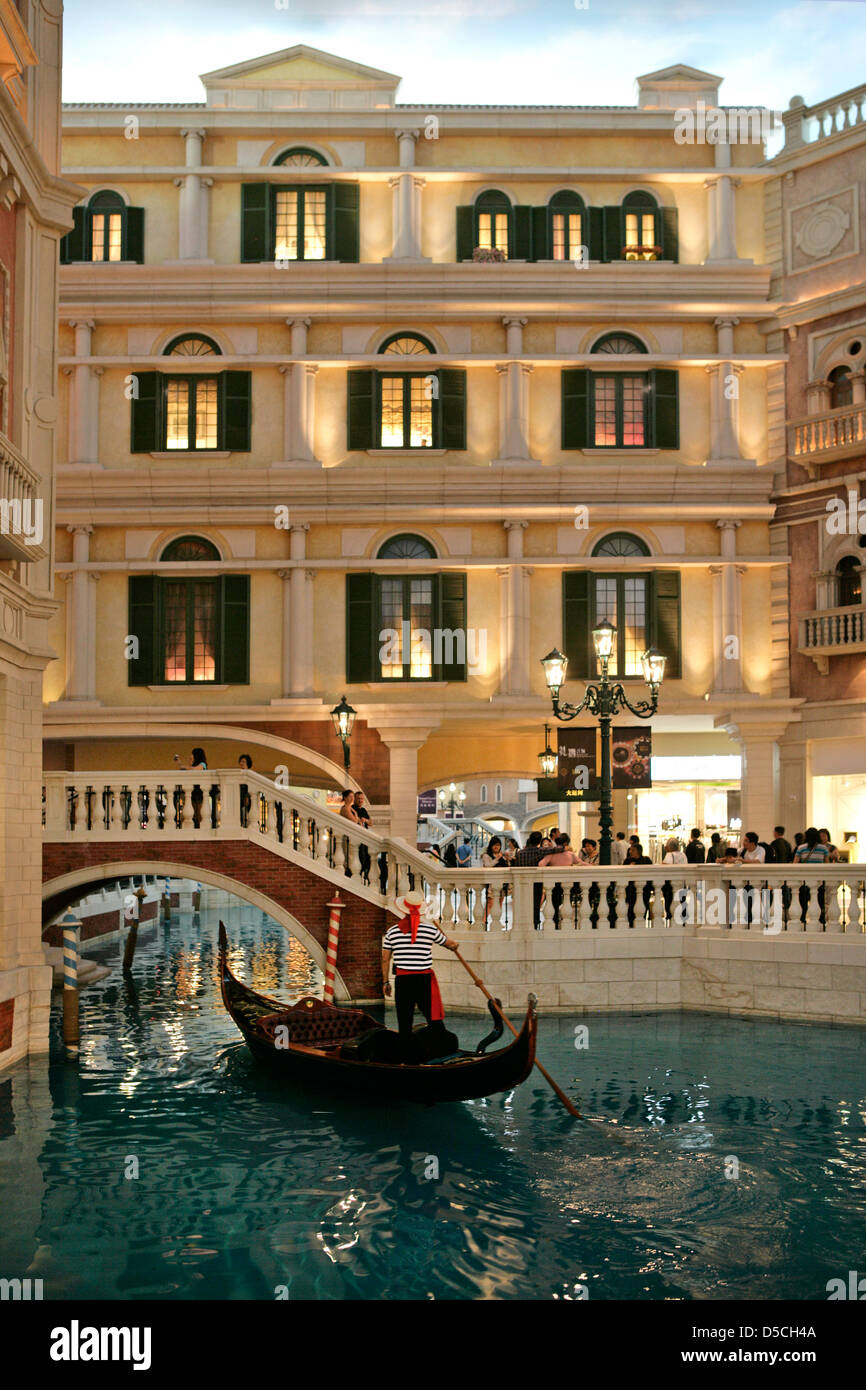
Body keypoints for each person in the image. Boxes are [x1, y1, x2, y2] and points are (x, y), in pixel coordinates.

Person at [381, 890, 459, 1059]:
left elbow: (385, 959)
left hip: (403, 981)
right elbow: (451, 945)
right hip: (423, 981)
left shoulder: (392, 932)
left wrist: (385, 982)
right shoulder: (430, 930)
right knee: (433, 1018)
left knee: (404, 1021)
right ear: (420, 910)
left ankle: (406, 1058)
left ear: (403, 910)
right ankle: (443, 1052)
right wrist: (455, 944)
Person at [539, 833, 580, 928]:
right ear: (566, 843)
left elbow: (541, 864)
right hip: (568, 882)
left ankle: (555, 923)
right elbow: (581, 863)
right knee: (567, 901)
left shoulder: (551, 854)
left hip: (555, 883)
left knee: (554, 903)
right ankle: (566, 922)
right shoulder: (570, 854)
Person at [795, 826, 831, 924]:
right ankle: (821, 920)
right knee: (819, 902)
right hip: (819, 880)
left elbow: (795, 864)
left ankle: (803, 919)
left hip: (804, 880)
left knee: (803, 902)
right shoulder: (824, 848)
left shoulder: (801, 848)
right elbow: (827, 864)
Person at [513, 830, 546, 929]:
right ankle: (535, 924)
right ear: (539, 841)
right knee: (535, 904)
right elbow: (555, 850)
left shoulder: (520, 853)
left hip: (522, 881)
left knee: (523, 903)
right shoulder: (540, 851)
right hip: (536, 882)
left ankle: (523, 924)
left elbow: (516, 866)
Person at [173, 746, 208, 827]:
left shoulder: (202, 764)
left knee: (199, 811)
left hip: (199, 792)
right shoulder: (193, 765)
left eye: (192, 754)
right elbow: (188, 769)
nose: (190, 756)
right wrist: (180, 763)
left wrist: (185, 766)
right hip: (193, 792)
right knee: (192, 811)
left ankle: (199, 826)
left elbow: (195, 769)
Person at [625, 841, 652, 924]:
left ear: (639, 851)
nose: (630, 852)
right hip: (631, 889)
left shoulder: (646, 860)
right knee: (631, 906)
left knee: (644, 904)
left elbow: (650, 872)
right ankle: (631, 923)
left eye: (633, 850)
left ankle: (642, 922)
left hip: (645, 888)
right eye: (630, 850)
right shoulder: (627, 861)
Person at [354, 790, 372, 884]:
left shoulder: (363, 810)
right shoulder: (352, 809)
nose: (360, 800)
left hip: (365, 837)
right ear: (354, 799)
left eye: (362, 799)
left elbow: (371, 823)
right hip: (357, 836)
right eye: (358, 798)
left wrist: (365, 820)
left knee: (367, 857)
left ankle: (366, 876)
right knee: (361, 856)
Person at [238, 753, 253, 829]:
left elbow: (249, 785)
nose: (241, 763)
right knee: (239, 810)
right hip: (240, 794)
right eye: (241, 761)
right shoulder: (239, 773)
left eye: (243, 761)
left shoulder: (249, 773)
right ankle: (240, 824)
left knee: (251, 811)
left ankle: (253, 826)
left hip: (248, 794)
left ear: (247, 763)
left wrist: (247, 796)